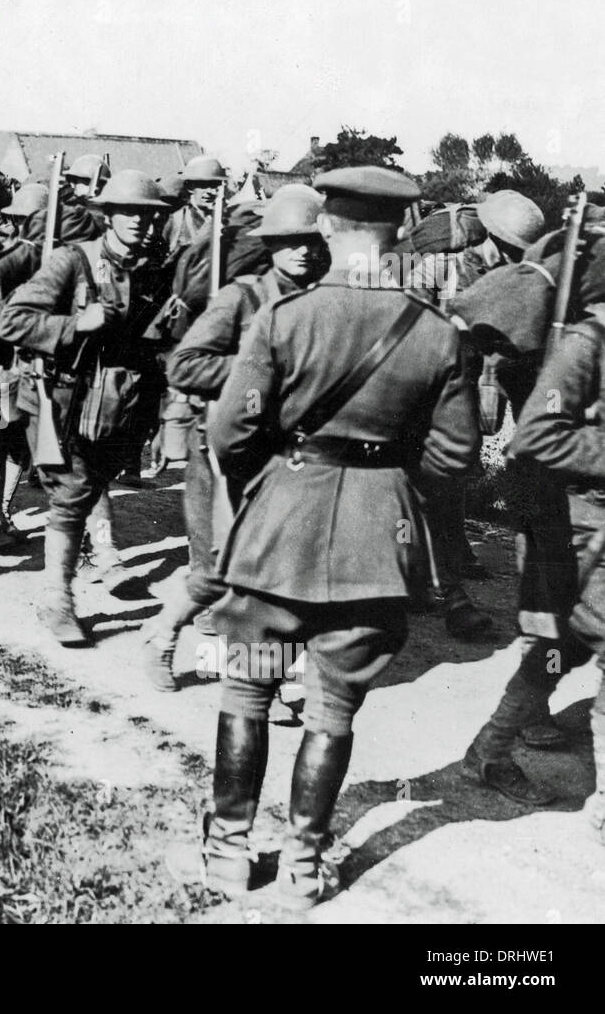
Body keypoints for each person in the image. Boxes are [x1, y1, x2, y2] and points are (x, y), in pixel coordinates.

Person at [198, 166, 478, 907]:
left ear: (327, 229)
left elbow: (229, 434)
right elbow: (456, 461)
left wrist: (283, 477)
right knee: (332, 708)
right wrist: (388, 482)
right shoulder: (438, 335)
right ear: (399, 236)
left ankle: (228, 853)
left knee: (247, 687)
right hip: (375, 545)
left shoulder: (284, 318)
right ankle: (303, 866)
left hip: (276, 534)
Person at [145, 184, 329, 689]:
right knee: (216, 569)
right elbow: (186, 365)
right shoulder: (241, 296)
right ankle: (161, 636)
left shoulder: (327, 303)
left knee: (289, 569)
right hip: (228, 454)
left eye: (313, 240)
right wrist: (257, 370)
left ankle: (277, 673)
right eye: (291, 240)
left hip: (293, 456)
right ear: (270, 245)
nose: (304, 250)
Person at [0, 170, 178, 642]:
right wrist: (77, 323)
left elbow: (156, 349)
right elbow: (13, 322)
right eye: (130, 213)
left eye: (150, 215)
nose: (140, 222)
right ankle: (56, 599)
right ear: (108, 216)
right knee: (73, 492)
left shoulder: (152, 272)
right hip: (59, 401)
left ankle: (81, 574)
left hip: (118, 408)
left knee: (90, 488)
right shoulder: (72, 261)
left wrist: (159, 420)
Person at [463, 237, 605, 820]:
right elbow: (536, 437)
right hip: (578, 523)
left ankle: (488, 750)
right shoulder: (588, 343)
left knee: (560, 651)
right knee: (559, 648)